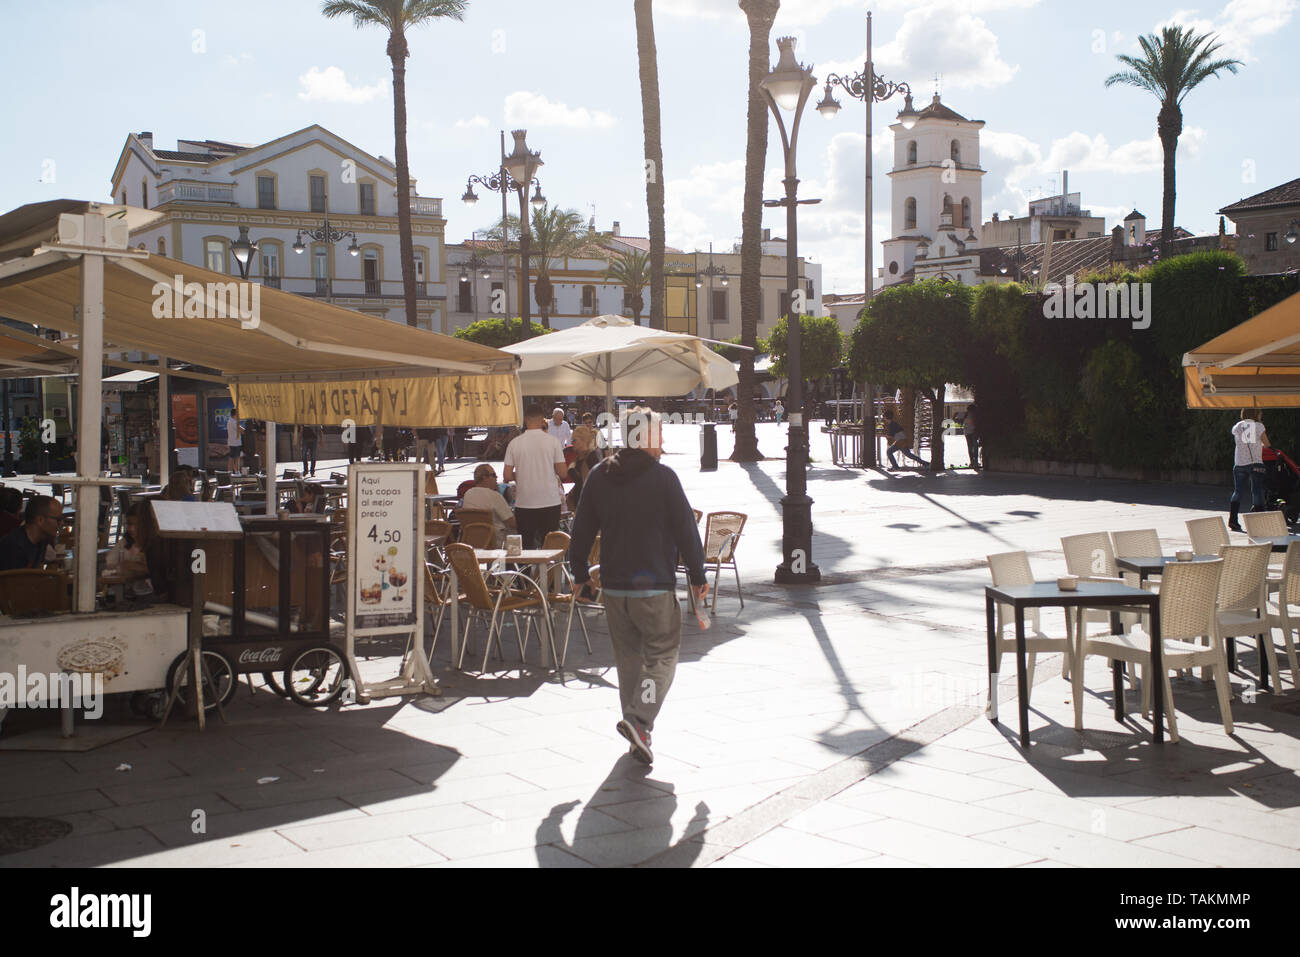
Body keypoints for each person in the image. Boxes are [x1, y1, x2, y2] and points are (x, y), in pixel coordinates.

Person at [568, 408, 708, 766]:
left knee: (629, 662)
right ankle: (640, 718)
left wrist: (580, 573)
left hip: (615, 589)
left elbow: (581, 529)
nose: (662, 441)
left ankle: (638, 736)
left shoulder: (600, 475)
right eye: (658, 434)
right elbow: (686, 531)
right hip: (654, 589)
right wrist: (698, 576)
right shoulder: (663, 479)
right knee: (662, 655)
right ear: (643, 438)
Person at [503, 404, 567, 549]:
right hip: (550, 501)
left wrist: (522, 474)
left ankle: (526, 572)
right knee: (550, 547)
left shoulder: (514, 444)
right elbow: (563, 473)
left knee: (526, 547)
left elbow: (506, 475)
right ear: (542, 420)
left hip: (525, 502)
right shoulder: (553, 442)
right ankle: (549, 572)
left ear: (525, 420)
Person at [1229, 408, 1269, 532]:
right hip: (1255, 463)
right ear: (1255, 414)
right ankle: (1261, 522)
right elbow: (1267, 444)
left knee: (1238, 492)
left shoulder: (1237, 426)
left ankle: (1233, 521)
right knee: (1257, 491)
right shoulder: (1259, 426)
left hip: (1240, 463)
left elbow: (1242, 438)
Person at [0, 495, 62, 571]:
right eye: (58, 520)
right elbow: (15, 581)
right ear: (40, 520)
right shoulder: (14, 546)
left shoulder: (41, 541)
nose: (61, 523)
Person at [462, 464, 517, 547]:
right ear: (485, 477)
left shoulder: (468, 494)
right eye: (494, 475)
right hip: (497, 541)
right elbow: (513, 523)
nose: (497, 478)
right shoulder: (494, 496)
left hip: (474, 541)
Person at [963, 404, 980, 471]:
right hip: (971, 432)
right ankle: (974, 461)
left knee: (971, 446)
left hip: (969, 432)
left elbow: (963, 423)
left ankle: (973, 461)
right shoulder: (973, 415)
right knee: (973, 446)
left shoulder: (967, 415)